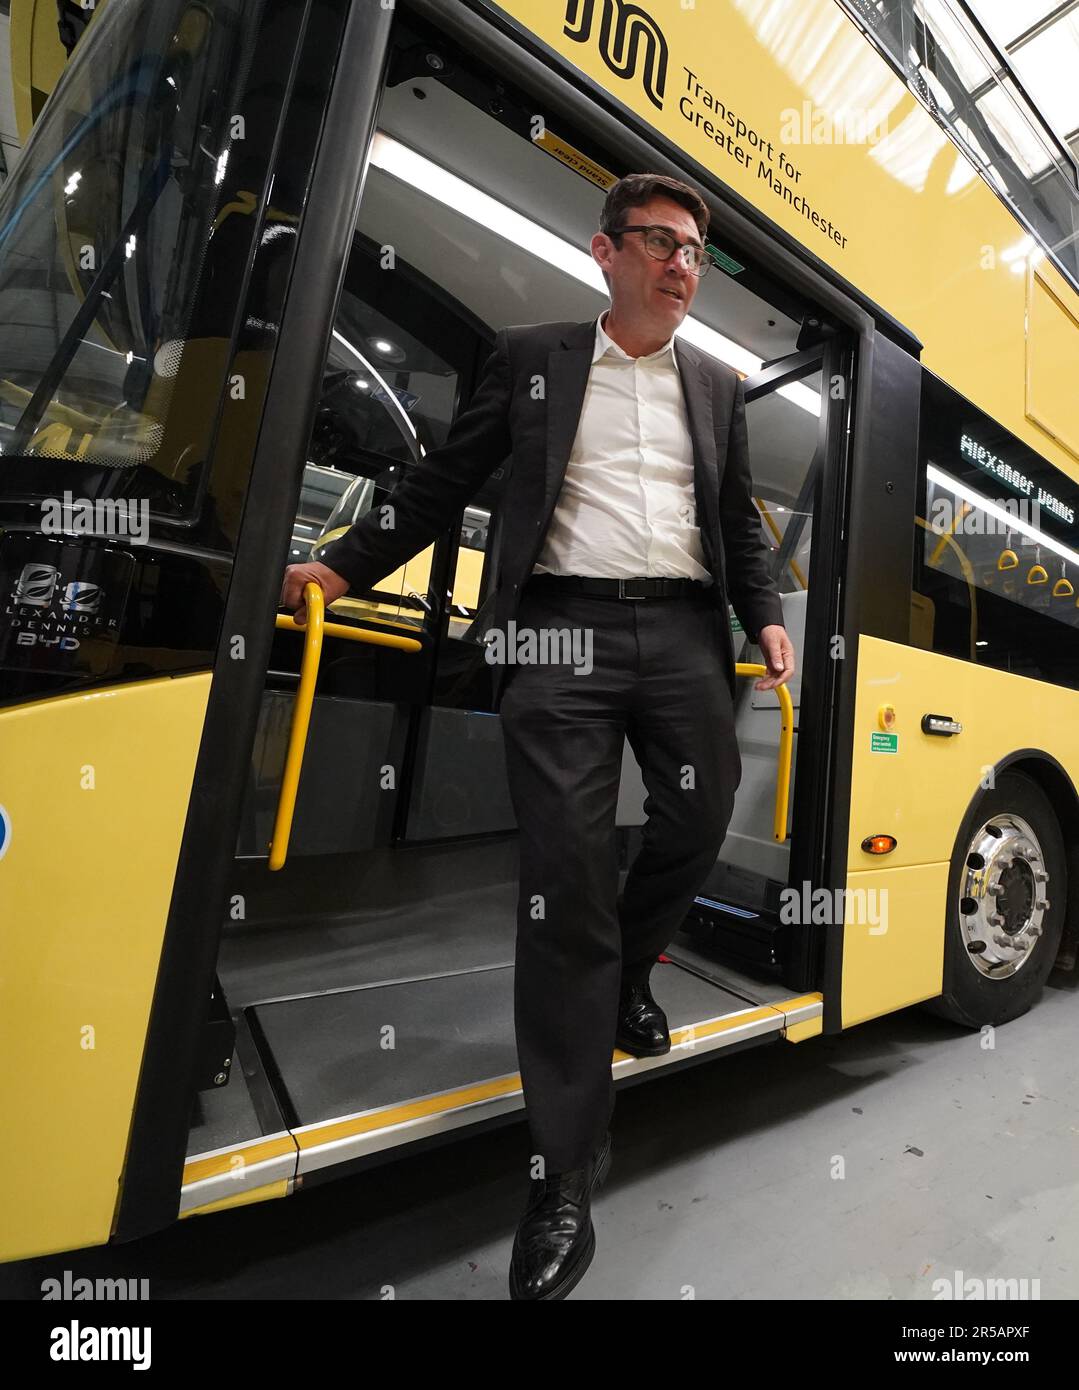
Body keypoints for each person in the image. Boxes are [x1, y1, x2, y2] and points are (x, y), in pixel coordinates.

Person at [281, 172, 795, 1300]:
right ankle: (563, 1169)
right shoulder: (528, 358)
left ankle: (619, 976)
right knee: (562, 880)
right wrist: (343, 563)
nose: (679, 264)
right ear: (603, 253)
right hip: (558, 630)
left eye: (693, 250)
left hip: (681, 634)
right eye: (656, 242)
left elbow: (734, 528)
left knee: (699, 818)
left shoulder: (718, 387)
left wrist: (761, 614)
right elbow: (438, 486)